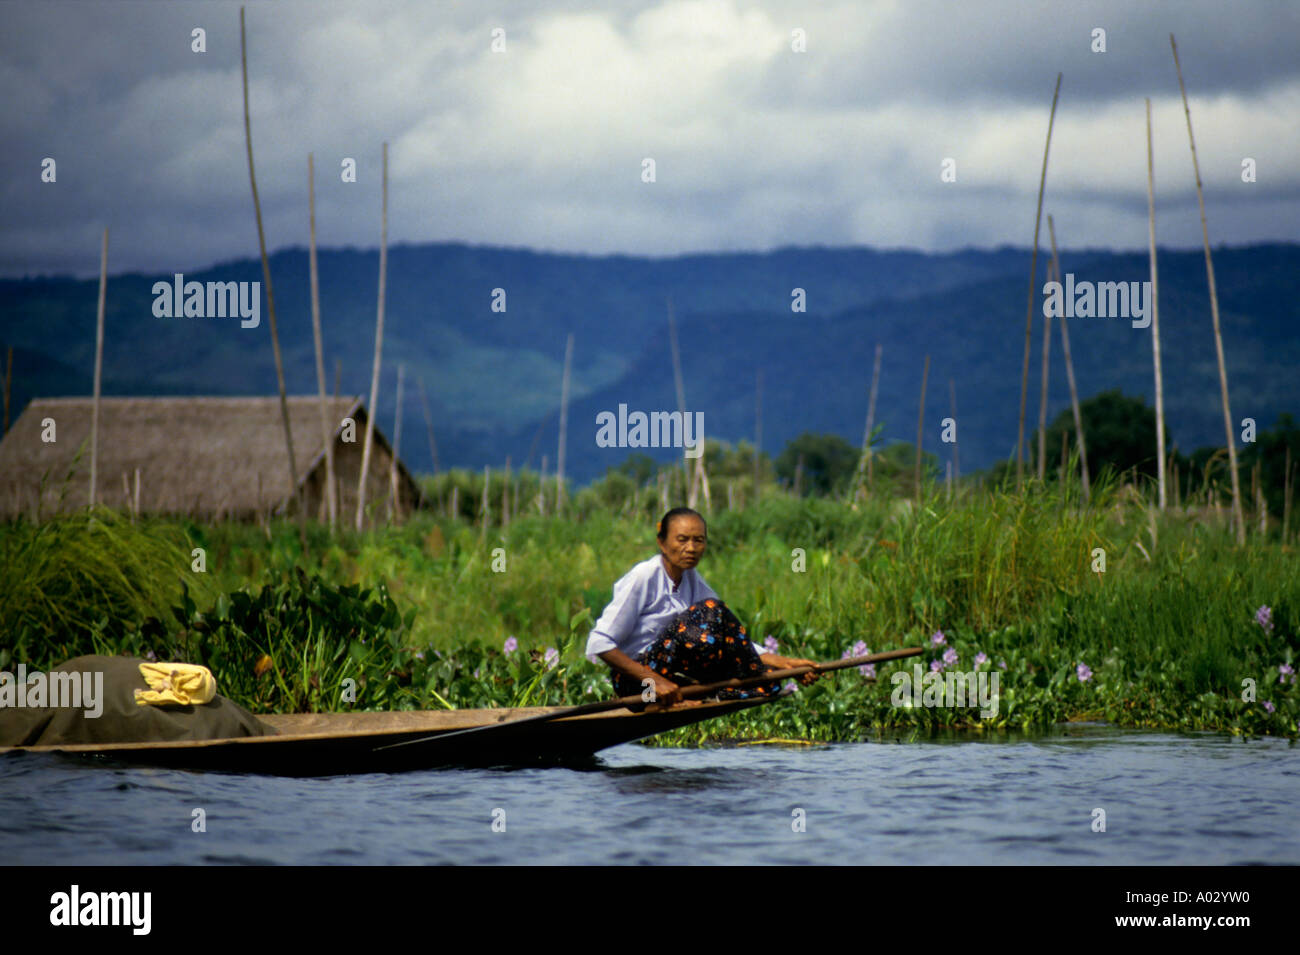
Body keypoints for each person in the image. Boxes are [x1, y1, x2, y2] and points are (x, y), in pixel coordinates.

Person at [586, 506, 820, 707]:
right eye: (682, 539)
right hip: (639, 687)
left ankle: (697, 696)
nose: (691, 548)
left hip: (672, 686)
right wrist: (654, 681)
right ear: (662, 543)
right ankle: (666, 698)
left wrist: (784, 663)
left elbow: (728, 635)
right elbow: (599, 643)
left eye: (699, 540)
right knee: (711, 611)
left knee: (768, 682)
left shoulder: (692, 579)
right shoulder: (644, 576)